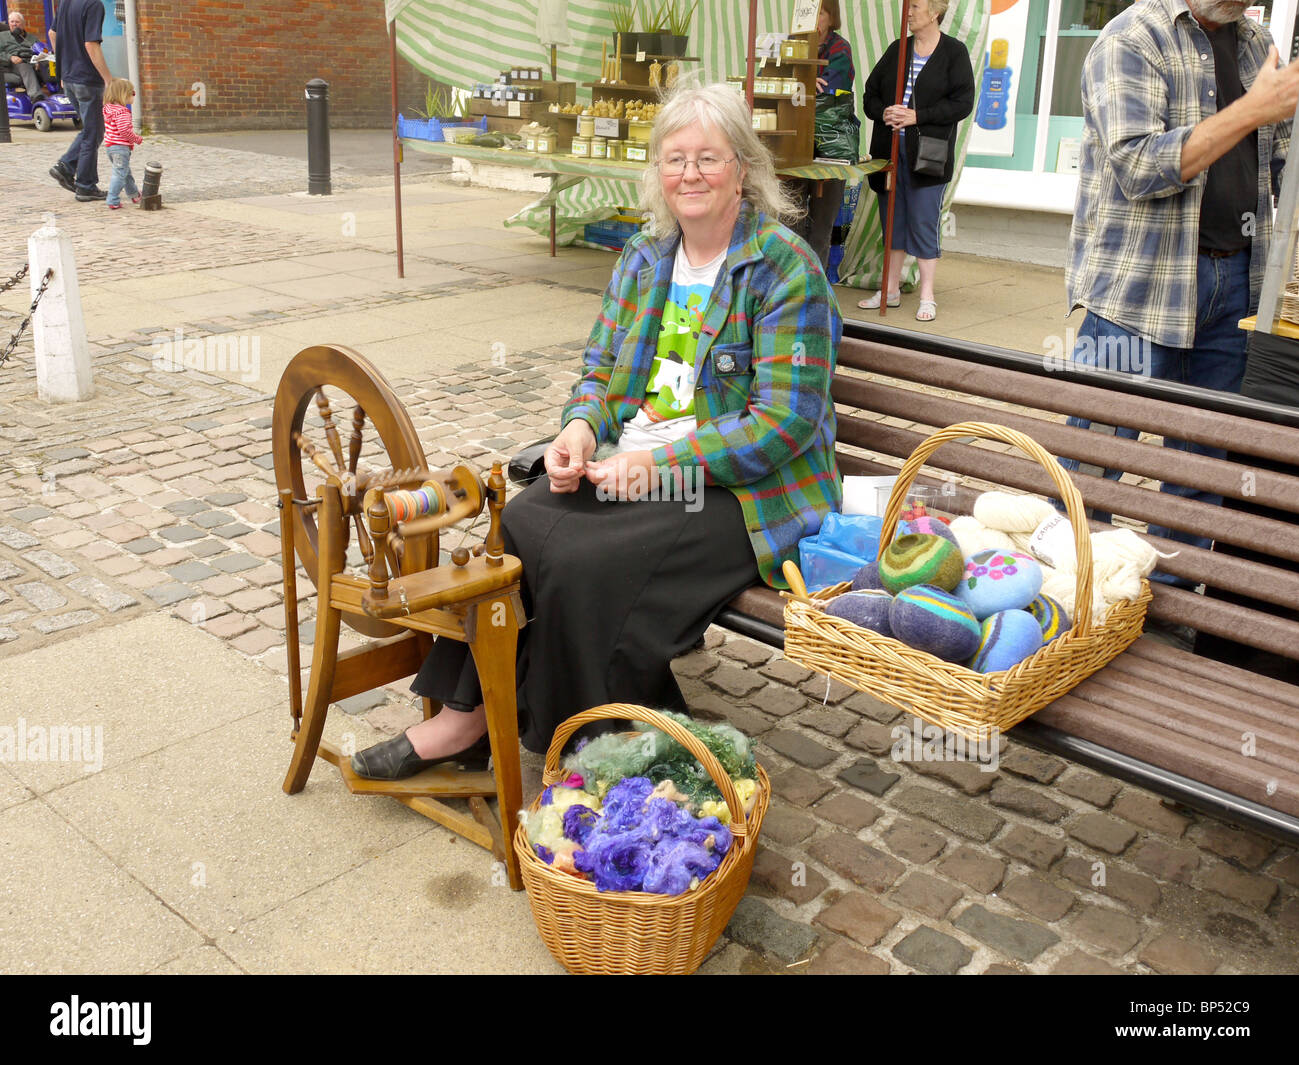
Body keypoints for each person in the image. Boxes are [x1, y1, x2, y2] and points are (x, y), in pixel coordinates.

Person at [351, 82, 842, 779]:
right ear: (657, 171)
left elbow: (782, 423)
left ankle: (597, 747)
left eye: (709, 157)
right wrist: (581, 428)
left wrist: (664, 461)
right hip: (639, 464)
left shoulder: (785, 269)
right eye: (675, 159)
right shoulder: (645, 258)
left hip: (750, 490)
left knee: (586, 563)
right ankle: (466, 719)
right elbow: (601, 371)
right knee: (522, 524)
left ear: (743, 168)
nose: (690, 174)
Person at [1060, 0, 1299, 556]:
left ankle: (1171, 602)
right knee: (1093, 461)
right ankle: (1066, 593)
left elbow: (1283, 161)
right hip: (1138, 291)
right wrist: (1253, 109)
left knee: (1201, 467)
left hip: (1239, 281)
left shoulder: (1256, 44)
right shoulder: (1130, 37)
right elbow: (1139, 167)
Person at [858, 0, 973, 321]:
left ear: (935, 12)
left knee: (923, 221)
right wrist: (884, 112)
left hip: (929, 154)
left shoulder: (954, 52)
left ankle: (927, 295)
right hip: (889, 150)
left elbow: (962, 104)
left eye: (915, 6)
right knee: (891, 220)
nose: (908, 12)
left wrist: (917, 116)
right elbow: (870, 94)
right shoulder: (898, 49)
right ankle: (890, 289)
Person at [798, 0, 858, 270]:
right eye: (806, 12)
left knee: (820, 231)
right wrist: (803, 82)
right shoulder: (792, 44)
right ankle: (790, 289)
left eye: (819, 12)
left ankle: (815, 292)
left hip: (830, 153)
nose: (812, 18)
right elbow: (770, 76)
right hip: (794, 150)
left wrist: (801, 82)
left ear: (831, 17)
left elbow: (831, 91)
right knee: (790, 224)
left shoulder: (839, 49)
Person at [48, 0, 112, 202]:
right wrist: (108, 80)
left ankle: (67, 168)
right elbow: (91, 44)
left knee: (90, 130)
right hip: (87, 79)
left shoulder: (66, 3)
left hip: (69, 78)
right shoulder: (94, 5)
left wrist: (62, 68)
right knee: (93, 133)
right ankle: (84, 185)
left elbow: (52, 34)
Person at [102, 78, 143, 210]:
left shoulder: (108, 109)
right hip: (120, 148)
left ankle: (134, 194)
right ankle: (112, 199)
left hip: (110, 146)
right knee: (120, 174)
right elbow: (124, 130)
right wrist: (136, 138)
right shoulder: (122, 112)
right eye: (133, 93)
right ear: (124, 94)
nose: (134, 96)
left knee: (125, 172)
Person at [1, 10, 51, 102]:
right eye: (12, 22)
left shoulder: (32, 38)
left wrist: (38, 60)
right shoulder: (2, 36)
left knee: (50, 64)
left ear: (23, 24)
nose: (14, 24)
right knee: (23, 65)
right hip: (10, 66)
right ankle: (36, 96)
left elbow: (41, 51)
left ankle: (58, 94)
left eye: (17, 22)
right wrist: (10, 57)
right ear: (9, 23)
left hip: (31, 63)